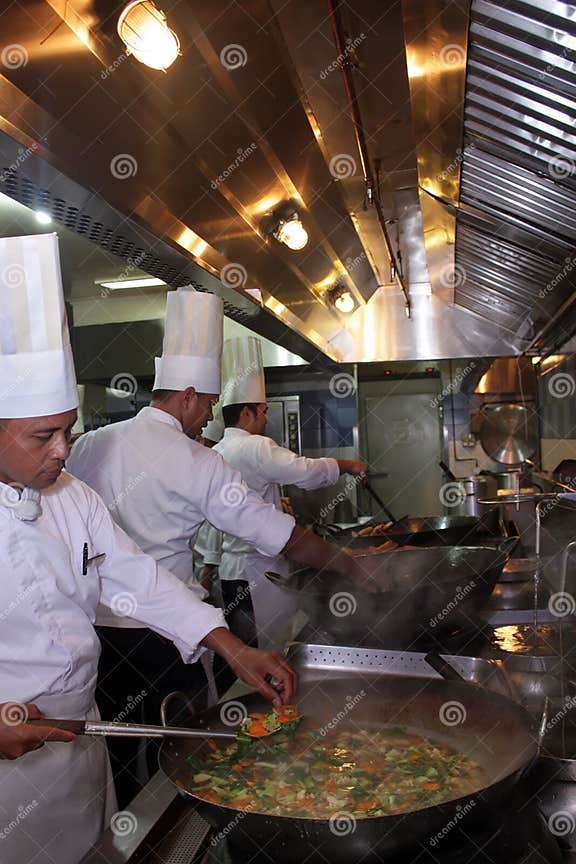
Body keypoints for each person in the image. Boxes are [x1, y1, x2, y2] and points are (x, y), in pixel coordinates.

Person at [0, 234, 296, 863]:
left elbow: (136, 577)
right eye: (43, 435)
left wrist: (232, 647)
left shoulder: (71, 496)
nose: (62, 450)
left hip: (82, 749)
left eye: (69, 431)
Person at [66, 288, 360, 804]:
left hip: (100, 635)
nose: (208, 416)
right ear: (185, 396)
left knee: (120, 751)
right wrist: (350, 565)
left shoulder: (94, 443)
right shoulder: (198, 462)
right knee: (181, 757)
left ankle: (137, 838)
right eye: (205, 403)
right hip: (166, 636)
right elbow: (279, 535)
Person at [215, 336, 368, 649]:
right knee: (271, 648)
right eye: (262, 410)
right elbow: (305, 471)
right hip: (260, 572)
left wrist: (273, 502)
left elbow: (238, 503)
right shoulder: (254, 446)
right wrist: (349, 465)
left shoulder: (218, 451)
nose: (265, 417)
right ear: (246, 413)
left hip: (230, 572)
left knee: (247, 646)